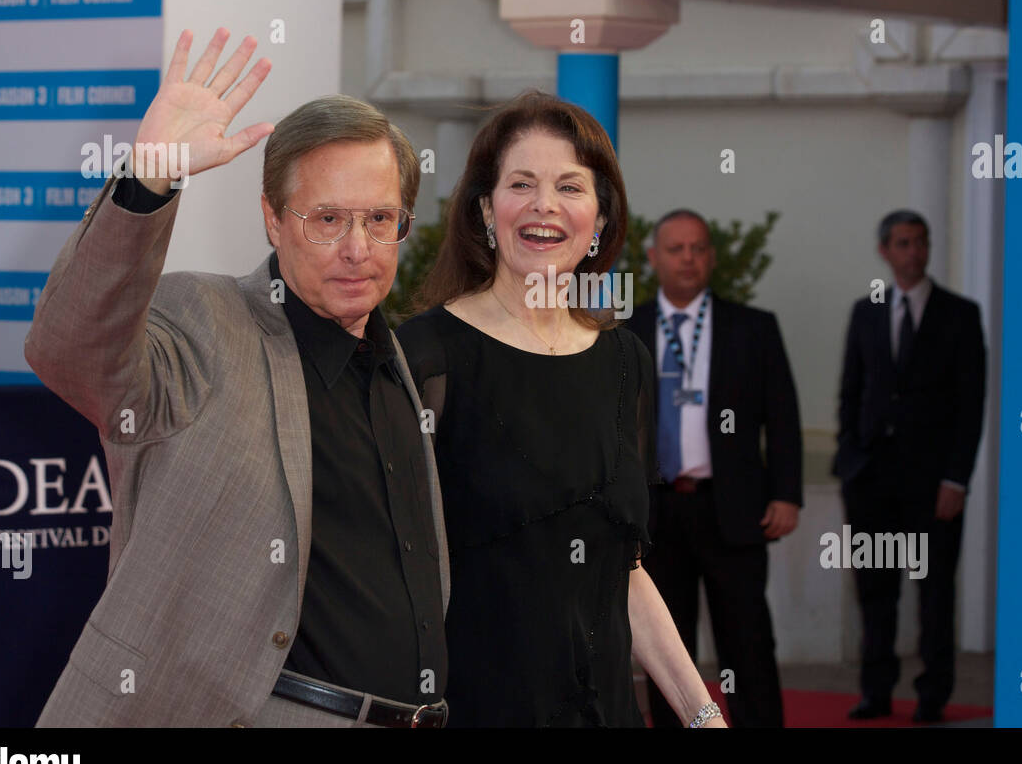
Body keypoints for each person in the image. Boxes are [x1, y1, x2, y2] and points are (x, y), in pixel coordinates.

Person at [27, 28, 450, 727]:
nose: (357, 248)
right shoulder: (208, 323)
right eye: (327, 220)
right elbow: (71, 351)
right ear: (273, 220)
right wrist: (149, 178)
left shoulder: (399, 364)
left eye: (380, 219)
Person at [396, 91, 725, 727]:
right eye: (522, 183)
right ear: (487, 210)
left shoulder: (625, 362)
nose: (545, 205)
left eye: (570, 186)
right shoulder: (424, 358)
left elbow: (623, 571)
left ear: (599, 220)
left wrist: (701, 714)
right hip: (472, 708)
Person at [629, 209, 802, 728]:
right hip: (656, 514)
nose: (688, 258)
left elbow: (784, 417)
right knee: (666, 651)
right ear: (654, 258)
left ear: (712, 257)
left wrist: (787, 493)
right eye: (676, 249)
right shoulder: (623, 330)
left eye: (698, 248)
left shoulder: (753, 328)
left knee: (747, 643)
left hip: (734, 509)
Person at [832, 209, 986, 723]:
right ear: (885, 251)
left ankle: (932, 695)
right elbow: (851, 391)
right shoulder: (867, 310)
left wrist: (956, 479)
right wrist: (850, 456)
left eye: (921, 242)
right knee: (876, 592)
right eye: (902, 243)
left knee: (934, 593)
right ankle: (876, 692)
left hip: (933, 482)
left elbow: (971, 405)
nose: (913, 252)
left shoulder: (960, 314)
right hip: (871, 480)